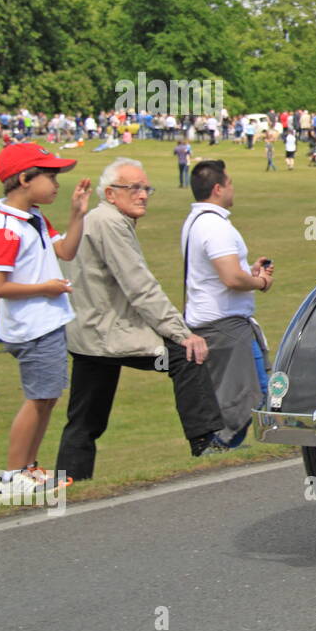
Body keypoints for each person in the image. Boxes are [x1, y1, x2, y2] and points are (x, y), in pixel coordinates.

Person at [55, 159, 228, 479]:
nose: (143, 195)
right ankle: (206, 443)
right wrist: (182, 332)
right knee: (186, 355)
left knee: (85, 421)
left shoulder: (100, 219)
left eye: (146, 188)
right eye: (134, 188)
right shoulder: (109, 222)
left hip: (86, 335)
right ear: (109, 193)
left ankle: (70, 482)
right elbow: (140, 287)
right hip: (107, 333)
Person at [0, 143, 92, 501]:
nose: (57, 184)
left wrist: (78, 214)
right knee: (38, 398)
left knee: (47, 398)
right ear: (25, 179)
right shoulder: (7, 229)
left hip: (46, 322)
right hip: (32, 326)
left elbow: (66, 251)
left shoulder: (34, 217)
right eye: (51, 176)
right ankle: (13, 473)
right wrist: (45, 287)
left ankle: (28, 468)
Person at [181, 160, 274, 447]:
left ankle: (223, 448)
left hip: (215, 321)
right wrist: (260, 282)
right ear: (218, 188)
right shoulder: (214, 225)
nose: (233, 188)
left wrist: (251, 271)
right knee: (248, 397)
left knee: (248, 394)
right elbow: (232, 278)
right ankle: (219, 449)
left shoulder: (197, 221)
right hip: (225, 325)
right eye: (230, 183)